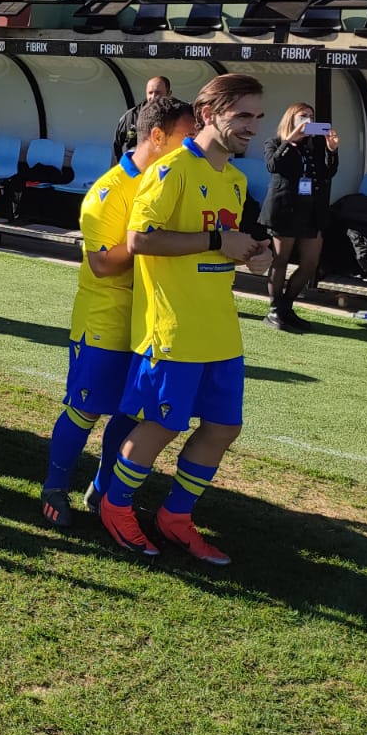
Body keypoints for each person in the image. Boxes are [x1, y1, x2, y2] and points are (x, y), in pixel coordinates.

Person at [98, 74, 273, 564]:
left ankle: (176, 516)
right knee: (161, 424)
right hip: (172, 326)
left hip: (219, 325)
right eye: (242, 115)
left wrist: (251, 255)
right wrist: (220, 242)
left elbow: (219, 244)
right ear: (207, 113)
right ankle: (115, 505)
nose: (252, 127)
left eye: (258, 117)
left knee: (223, 426)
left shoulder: (236, 181)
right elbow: (140, 241)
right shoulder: (170, 171)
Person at [40, 96, 196, 528]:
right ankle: (54, 486)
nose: (193, 145)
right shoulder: (107, 192)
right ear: (159, 137)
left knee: (131, 414)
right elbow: (103, 264)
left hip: (149, 322)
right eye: (187, 137)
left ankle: (102, 490)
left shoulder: (172, 181)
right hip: (105, 321)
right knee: (85, 409)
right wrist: (150, 239)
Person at [260, 103, 340, 332]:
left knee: (310, 264)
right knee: (281, 259)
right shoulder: (275, 142)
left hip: (311, 210)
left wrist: (332, 150)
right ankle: (275, 309)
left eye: (311, 116)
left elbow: (328, 173)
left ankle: (286, 307)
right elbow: (273, 164)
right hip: (285, 209)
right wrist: (291, 140)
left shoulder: (314, 145)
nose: (307, 119)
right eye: (303, 116)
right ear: (291, 119)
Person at [112, 76, 172, 164]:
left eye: (158, 93)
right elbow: (117, 151)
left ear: (168, 94)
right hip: (132, 173)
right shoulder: (130, 117)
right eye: (150, 93)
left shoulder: (176, 118)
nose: (153, 96)